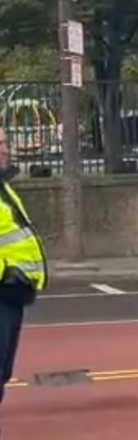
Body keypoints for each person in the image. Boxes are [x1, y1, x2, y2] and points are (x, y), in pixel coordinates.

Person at [0, 128, 47, 407]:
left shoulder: (4, 186)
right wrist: (7, 272)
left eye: (5, 142)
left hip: (12, 294)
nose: (5, 149)